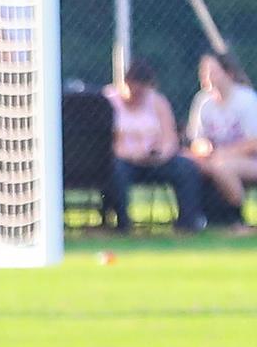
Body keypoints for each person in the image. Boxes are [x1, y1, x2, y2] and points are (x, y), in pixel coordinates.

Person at [104, 60, 207, 233]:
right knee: (116, 171)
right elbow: (105, 142)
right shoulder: (109, 101)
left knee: (187, 168)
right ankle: (123, 225)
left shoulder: (157, 102)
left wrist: (160, 154)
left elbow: (170, 139)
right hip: (124, 161)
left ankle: (187, 225)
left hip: (155, 161)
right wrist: (131, 155)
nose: (138, 96)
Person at [184, 51, 257, 231]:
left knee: (222, 166)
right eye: (204, 71)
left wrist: (224, 154)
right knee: (188, 164)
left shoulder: (246, 99)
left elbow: (254, 142)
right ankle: (195, 220)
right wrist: (204, 148)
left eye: (213, 71)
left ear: (229, 73)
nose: (207, 76)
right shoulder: (203, 101)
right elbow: (197, 140)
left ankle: (238, 218)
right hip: (213, 159)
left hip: (249, 161)